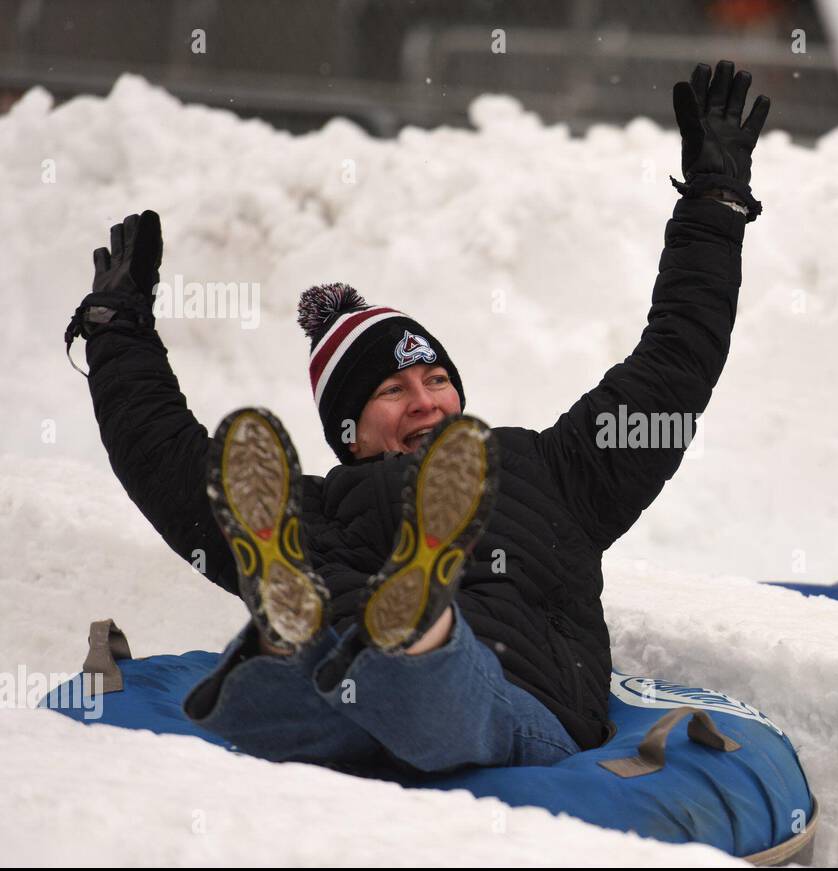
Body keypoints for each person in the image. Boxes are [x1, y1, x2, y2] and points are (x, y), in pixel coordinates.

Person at [63, 60, 770, 777]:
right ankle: (304, 638)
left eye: (436, 378)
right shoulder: (304, 506)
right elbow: (163, 457)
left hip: (520, 711)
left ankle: (405, 630)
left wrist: (714, 204)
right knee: (324, 687)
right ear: (349, 431)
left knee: (432, 689)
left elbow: (673, 365)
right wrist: (114, 327)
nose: (427, 400)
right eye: (393, 390)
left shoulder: (550, 469)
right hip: (350, 698)